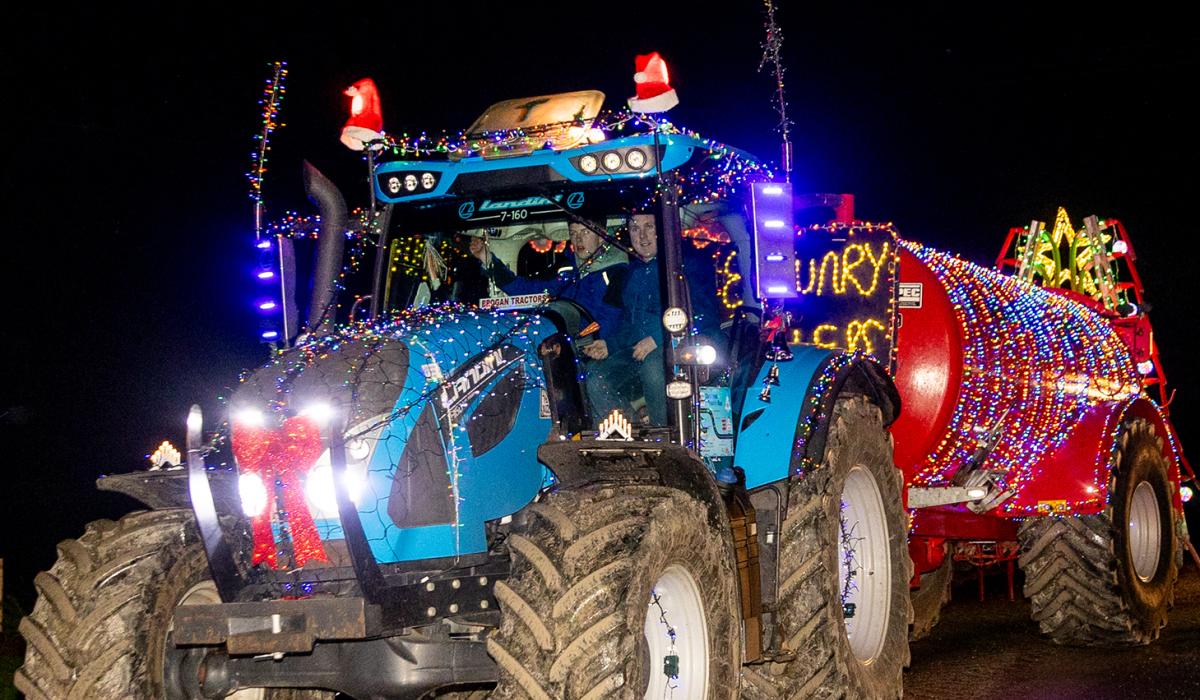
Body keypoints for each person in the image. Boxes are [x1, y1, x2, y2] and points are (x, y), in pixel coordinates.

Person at [469, 222, 629, 419]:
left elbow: (611, 319)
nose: (578, 239)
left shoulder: (617, 272)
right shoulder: (567, 270)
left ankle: (614, 431)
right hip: (569, 345)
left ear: (602, 237)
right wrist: (487, 258)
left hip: (604, 346)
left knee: (589, 378)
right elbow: (527, 290)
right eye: (573, 233)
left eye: (585, 232)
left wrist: (587, 340)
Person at [617, 213, 724, 424]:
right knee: (595, 376)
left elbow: (702, 315)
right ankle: (620, 438)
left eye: (650, 227)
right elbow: (627, 324)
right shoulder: (631, 274)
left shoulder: (687, 266)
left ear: (665, 230)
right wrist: (608, 345)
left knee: (653, 368)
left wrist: (659, 337)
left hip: (685, 345)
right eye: (635, 229)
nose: (643, 236)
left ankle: (663, 438)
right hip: (639, 350)